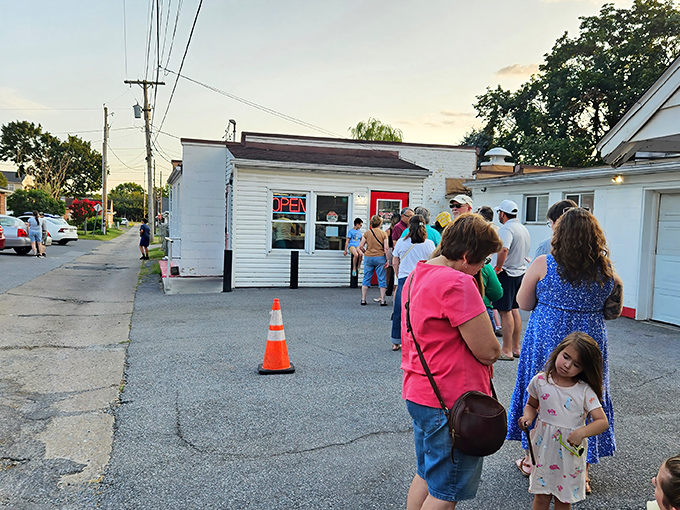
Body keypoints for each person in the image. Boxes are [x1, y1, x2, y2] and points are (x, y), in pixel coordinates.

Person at [508, 206, 623, 494]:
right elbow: (613, 311)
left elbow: (523, 303)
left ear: (560, 234)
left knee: (543, 395)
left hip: (548, 340)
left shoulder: (542, 264)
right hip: (588, 340)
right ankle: (581, 470)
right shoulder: (607, 272)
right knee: (586, 395)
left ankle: (532, 459)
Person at [401, 213, 502, 509]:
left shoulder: (419, 273)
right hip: (453, 401)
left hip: (421, 392)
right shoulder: (457, 283)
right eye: (483, 261)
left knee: (426, 475)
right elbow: (489, 350)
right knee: (446, 492)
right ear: (468, 256)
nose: (483, 268)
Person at [518, 332, 609, 509]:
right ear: (558, 351)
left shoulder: (584, 391)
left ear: (584, 369)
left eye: (576, 364)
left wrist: (581, 433)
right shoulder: (540, 381)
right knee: (541, 496)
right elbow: (531, 405)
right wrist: (528, 417)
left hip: (569, 452)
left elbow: (602, 421)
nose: (567, 365)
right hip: (544, 447)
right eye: (566, 357)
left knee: (563, 499)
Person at [389, 215, 436, 351]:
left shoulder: (402, 243)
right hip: (422, 278)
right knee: (421, 310)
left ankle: (396, 340)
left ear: (410, 226)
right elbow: (432, 261)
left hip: (404, 278)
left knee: (399, 309)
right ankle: (418, 339)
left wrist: (398, 275)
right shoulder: (429, 244)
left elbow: (395, 261)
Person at [492, 199, 531, 360]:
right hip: (520, 272)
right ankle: (516, 347)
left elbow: (504, 248)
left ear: (502, 213)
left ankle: (506, 349)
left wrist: (498, 267)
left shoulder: (506, 229)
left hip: (507, 273)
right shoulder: (523, 228)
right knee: (515, 310)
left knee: (505, 311)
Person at [477, 206, 502, 335]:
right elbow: (497, 293)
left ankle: (497, 325)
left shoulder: (483, 230)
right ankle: (498, 325)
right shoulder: (498, 230)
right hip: (490, 265)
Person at [358, 215, 389, 306]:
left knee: (366, 277)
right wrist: (387, 259)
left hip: (368, 257)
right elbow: (386, 248)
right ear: (380, 223)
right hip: (380, 257)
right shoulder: (384, 234)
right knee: (382, 278)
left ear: (371, 223)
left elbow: (360, 246)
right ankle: (382, 300)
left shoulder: (367, 233)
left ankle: (363, 299)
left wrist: (365, 251)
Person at [385, 213, 401, 296]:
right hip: (397, 250)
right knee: (396, 270)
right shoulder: (401, 229)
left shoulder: (388, 230)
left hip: (391, 250)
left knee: (389, 270)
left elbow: (383, 240)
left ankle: (389, 288)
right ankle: (393, 287)